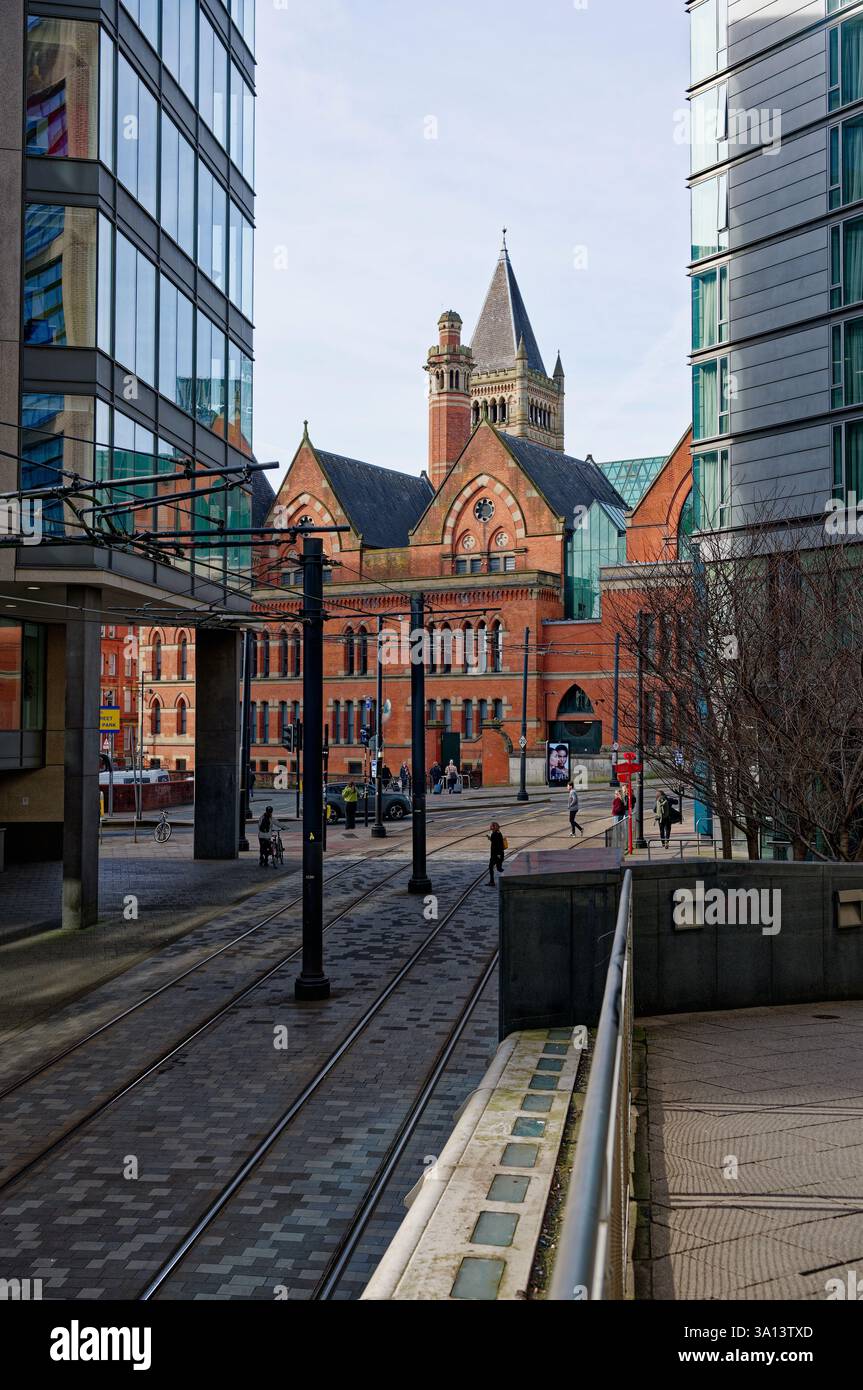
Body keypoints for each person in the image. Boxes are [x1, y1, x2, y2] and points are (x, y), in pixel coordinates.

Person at [486, 821, 505, 886]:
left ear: (494, 827)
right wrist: (490, 838)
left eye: (491, 826)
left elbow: (499, 845)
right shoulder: (497, 833)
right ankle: (492, 881)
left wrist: (499, 855)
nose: (490, 827)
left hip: (496, 854)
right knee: (498, 868)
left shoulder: (495, 834)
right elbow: (495, 841)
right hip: (497, 854)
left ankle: (492, 882)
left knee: (492, 867)